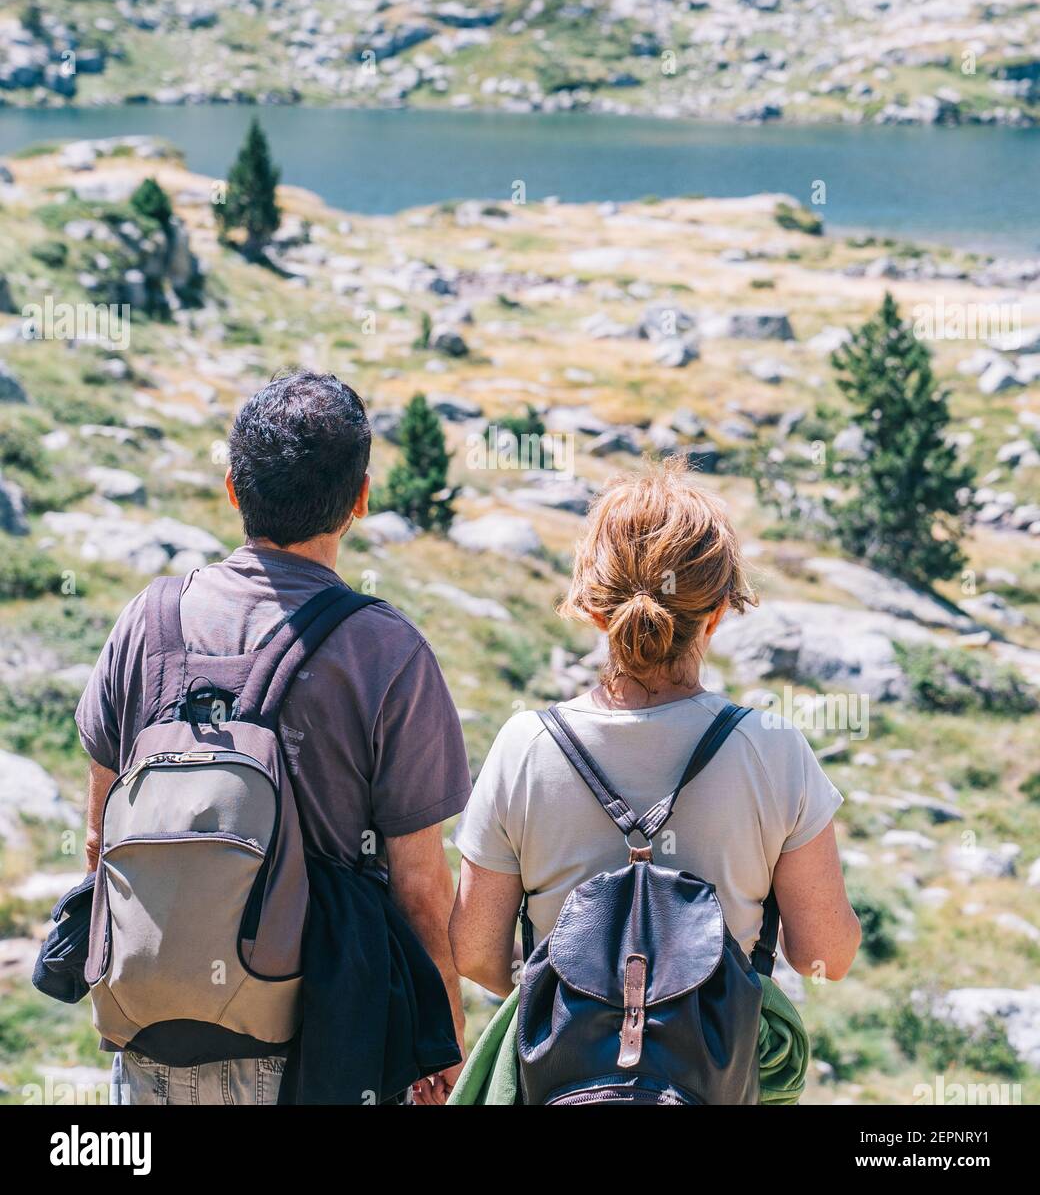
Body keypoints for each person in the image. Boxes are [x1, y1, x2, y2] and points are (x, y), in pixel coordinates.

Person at [78, 370, 471, 1105]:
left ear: (233, 489)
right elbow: (420, 888)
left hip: (151, 1034)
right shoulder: (386, 650)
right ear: (360, 499)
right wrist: (442, 1040)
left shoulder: (146, 622)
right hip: (318, 1044)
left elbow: (101, 839)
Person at [450, 459, 860, 1000]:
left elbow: (475, 953)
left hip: (563, 1055)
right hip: (718, 1057)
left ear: (594, 609)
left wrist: (560, 998)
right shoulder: (772, 747)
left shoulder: (525, 746)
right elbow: (826, 956)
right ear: (717, 613)